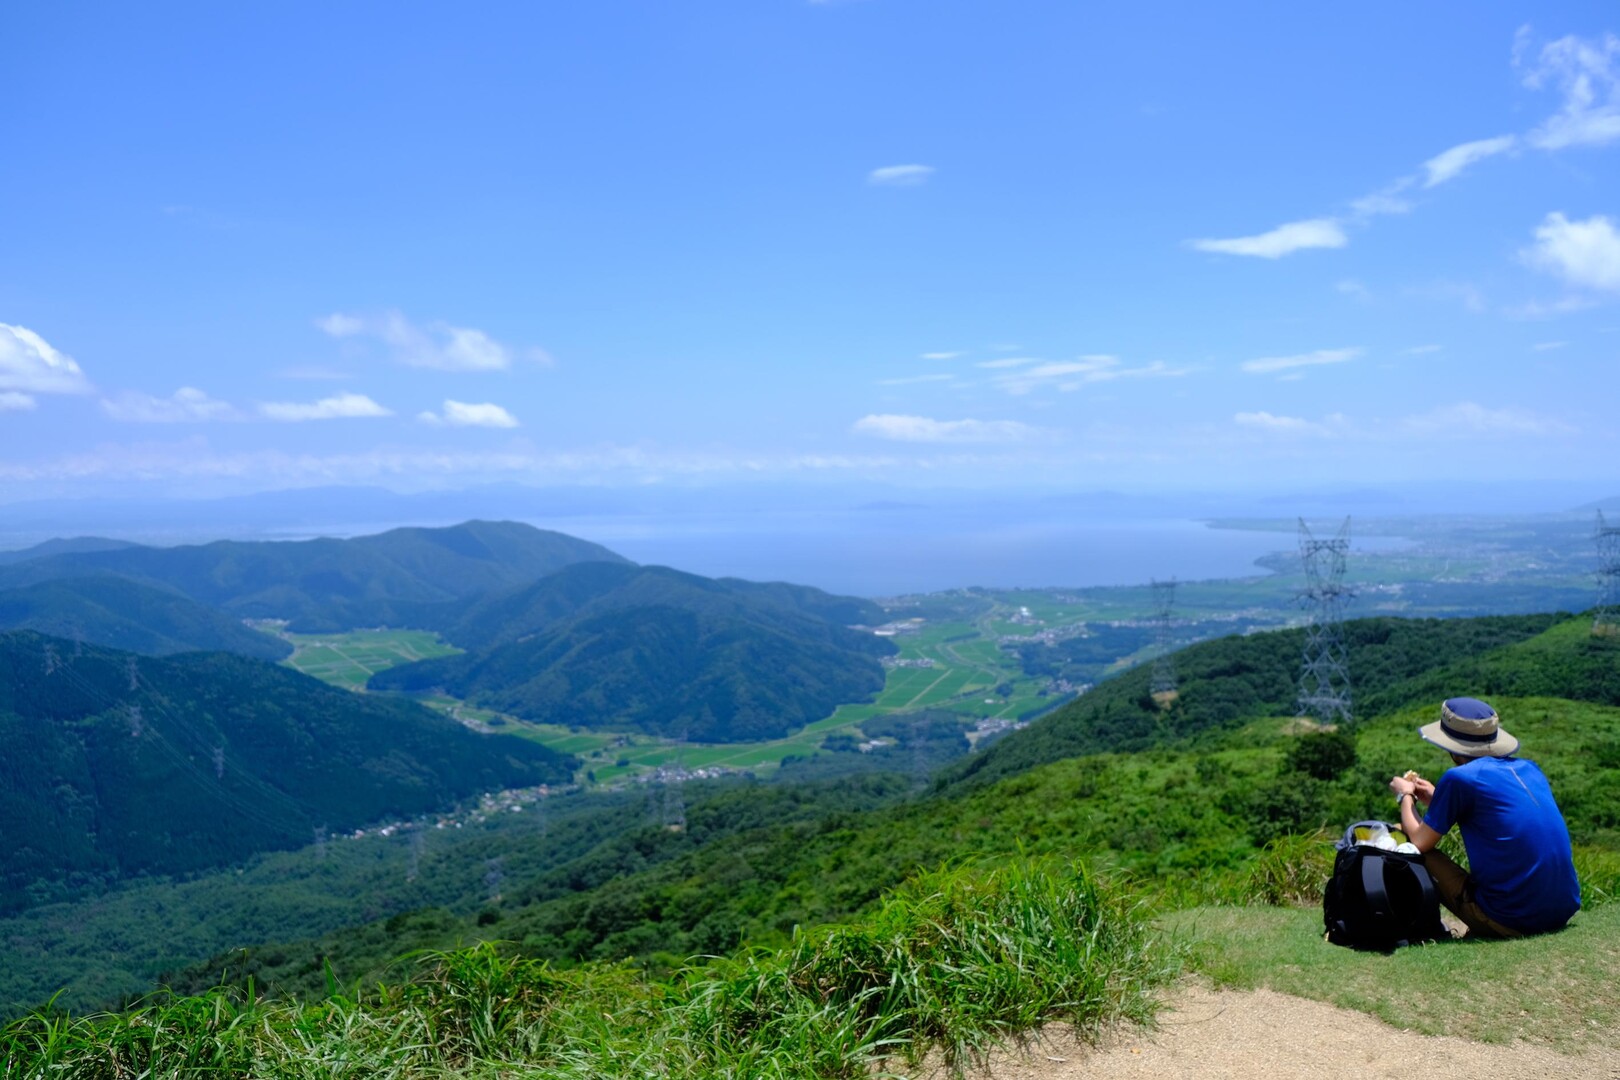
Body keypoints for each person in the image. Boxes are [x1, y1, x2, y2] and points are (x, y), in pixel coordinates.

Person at [1388, 696, 1580, 939]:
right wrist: (1438, 797)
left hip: (1509, 920)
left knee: (1400, 837)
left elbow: (1419, 842)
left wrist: (1405, 795)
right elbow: (1492, 810)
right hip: (1562, 911)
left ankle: (1405, 926)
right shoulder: (1530, 768)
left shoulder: (1458, 778)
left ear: (1452, 748)